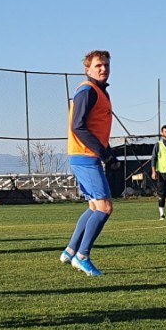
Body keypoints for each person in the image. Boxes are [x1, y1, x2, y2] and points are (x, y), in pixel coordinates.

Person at [58, 50, 118, 277]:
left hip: (84, 156)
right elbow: (78, 127)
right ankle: (82, 257)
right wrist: (104, 154)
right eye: (98, 65)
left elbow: (94, 129)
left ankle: (70, 250)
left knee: (94, 207)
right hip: (85, 157)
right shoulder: (87, 91)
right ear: (88, 68)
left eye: (106, 65)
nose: (103, 69)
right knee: (105, 208)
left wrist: (108, 152)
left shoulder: (99, 92)